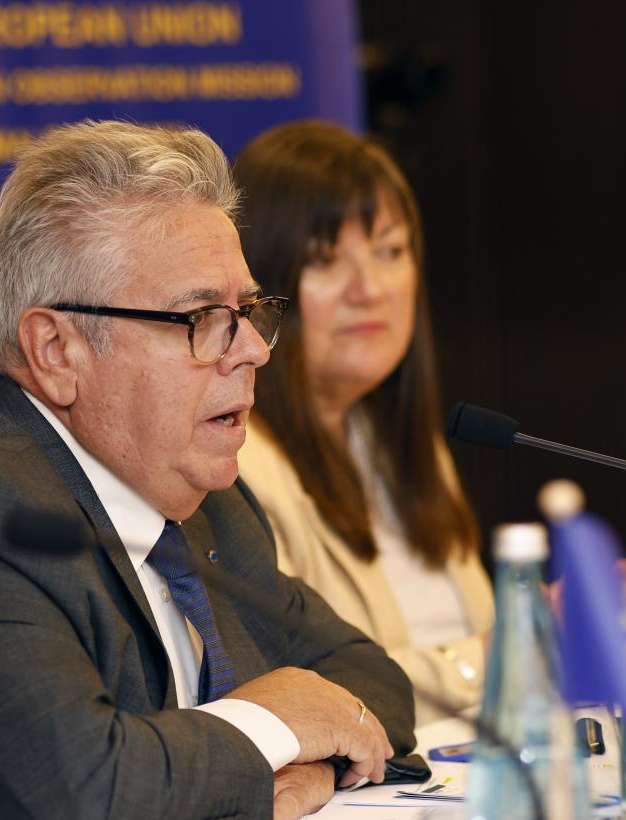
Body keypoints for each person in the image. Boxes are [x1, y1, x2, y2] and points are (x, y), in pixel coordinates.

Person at [0, 120, 415, 820]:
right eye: (200, 316)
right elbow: (85, 788)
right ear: (56, 350)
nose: (252, 348)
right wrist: (268, 728)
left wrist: (297, 771)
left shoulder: (201, 494)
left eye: (249, 311)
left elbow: (371, 680)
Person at [231, 121, 493, 725]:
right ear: (258, 292)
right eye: (325, 261)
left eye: (390, 251)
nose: (370, 289)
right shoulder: (240, 468)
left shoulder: (396, 442)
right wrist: (492, 660)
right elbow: (307, 694)